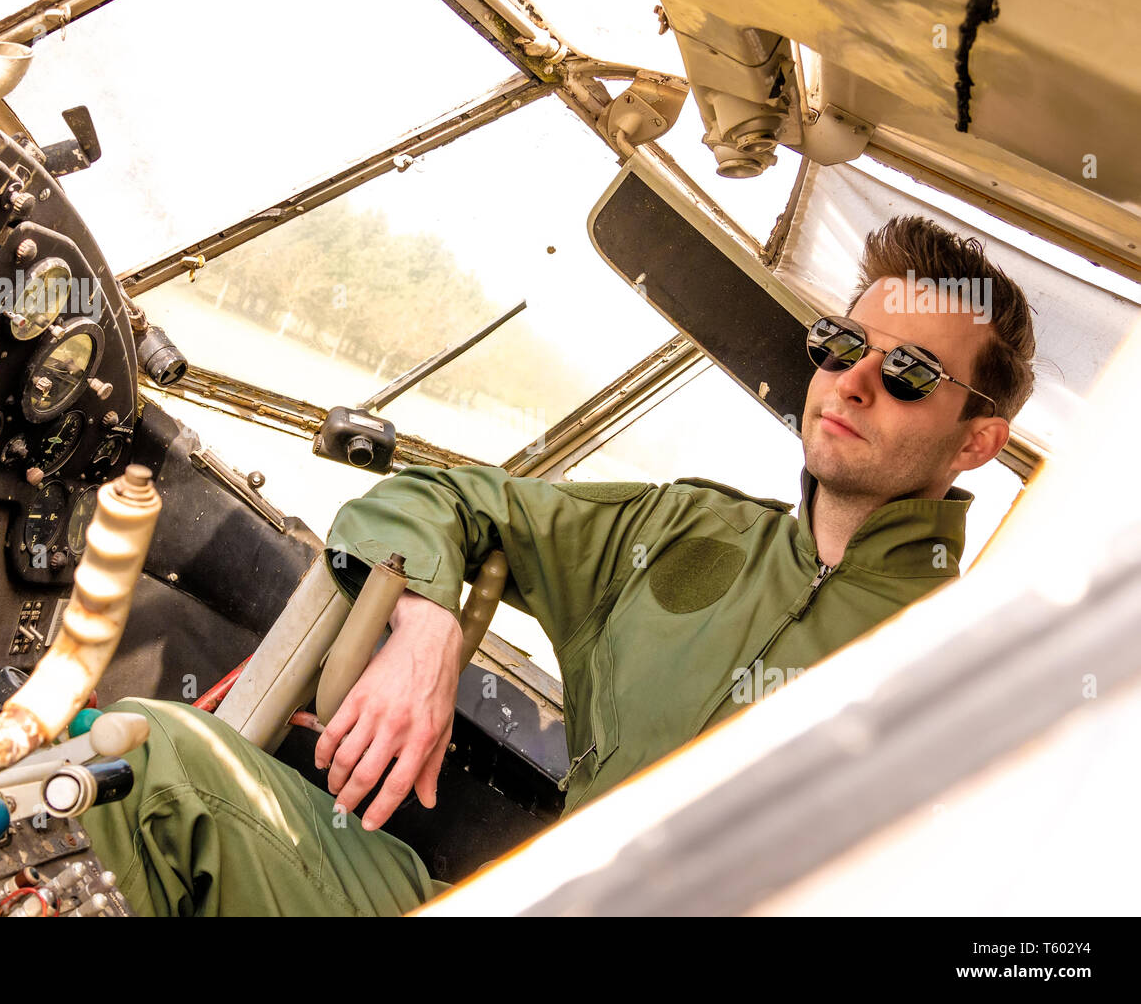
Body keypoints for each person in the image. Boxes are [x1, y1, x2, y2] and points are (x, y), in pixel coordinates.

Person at [79, 215, 1037, 916]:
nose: (852, 380)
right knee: (143, 763)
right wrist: (422, 614)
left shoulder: (974, 663)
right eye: (841, 344)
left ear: (976, 442)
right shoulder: (680, 528)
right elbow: (444, 498)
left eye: (909, 373)